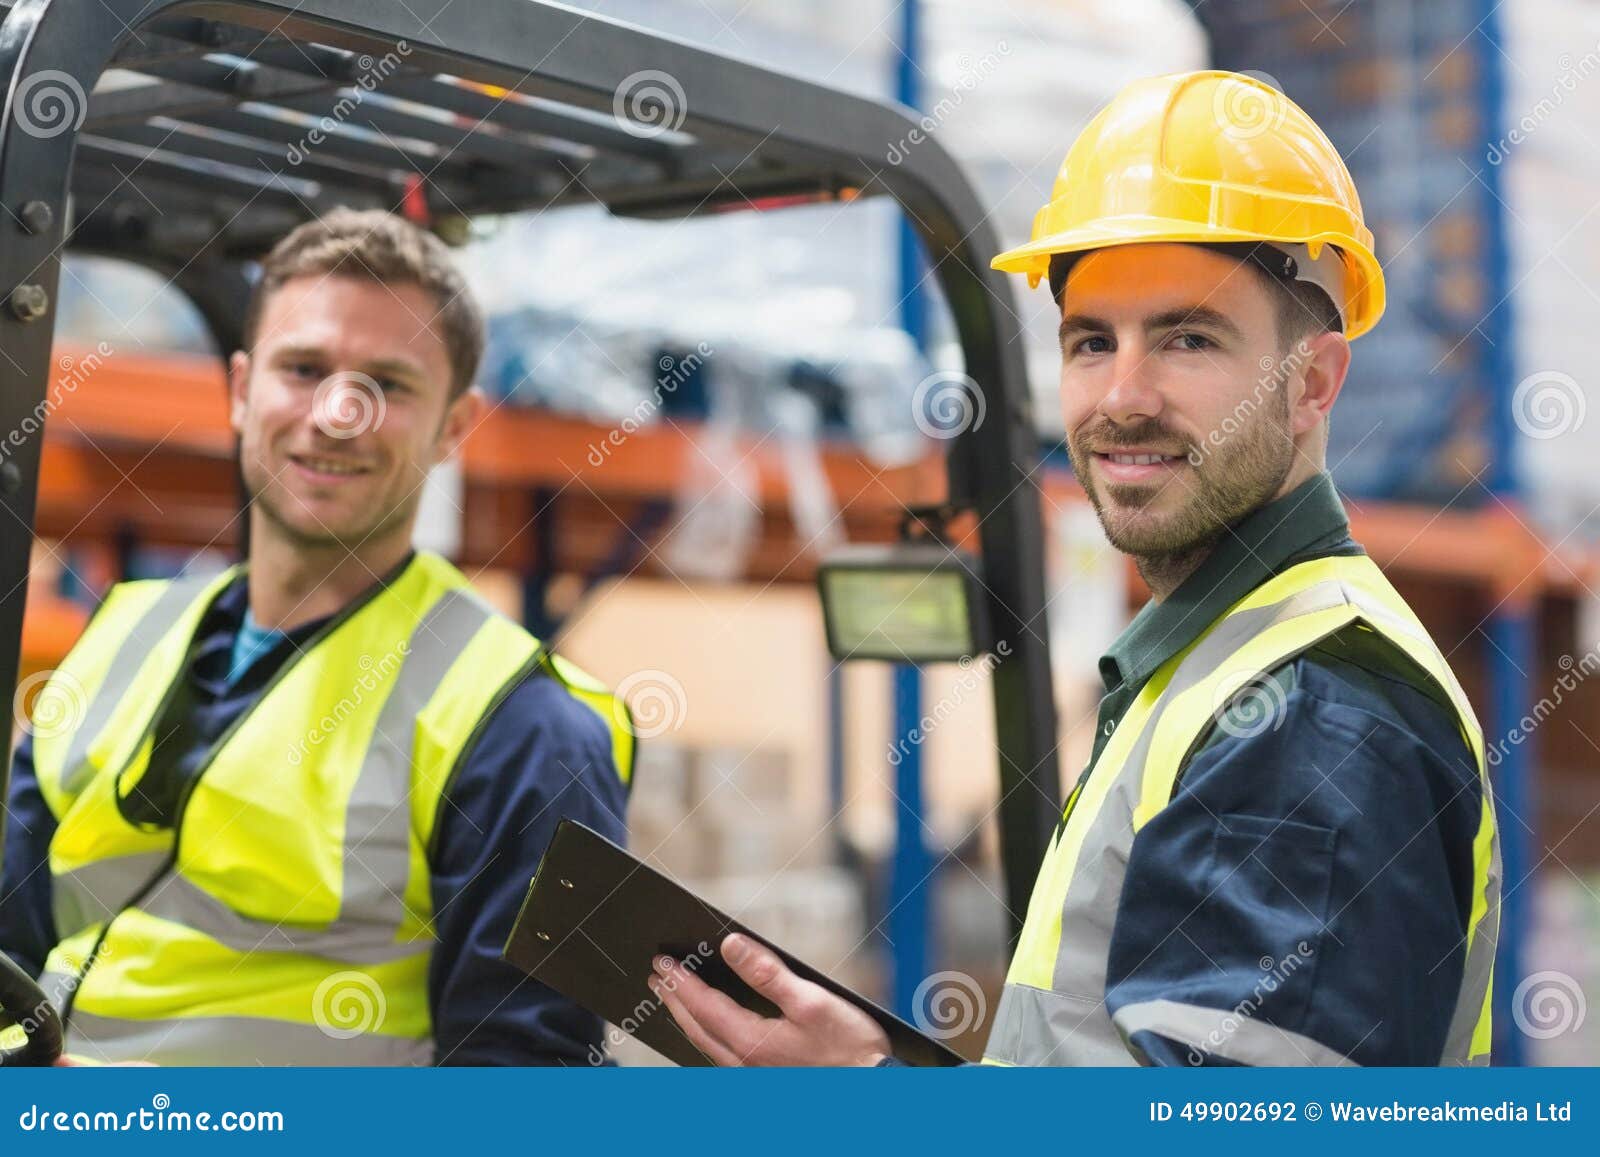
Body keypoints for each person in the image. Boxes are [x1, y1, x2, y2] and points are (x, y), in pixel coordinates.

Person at [650, 70, 1500, 1067]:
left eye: (1188, 336)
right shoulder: (1215, 666)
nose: (1122, 396)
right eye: (1091, 341)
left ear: (1310, 380)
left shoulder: (1306, 711)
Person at [0, 208, 633, 1066]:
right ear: (237, 390)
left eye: (388, 383)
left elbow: (518, 1096)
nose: (336, 414)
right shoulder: (123, 634)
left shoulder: (522, 726)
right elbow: (16, 930)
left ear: (454, 425)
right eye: (302, 369)